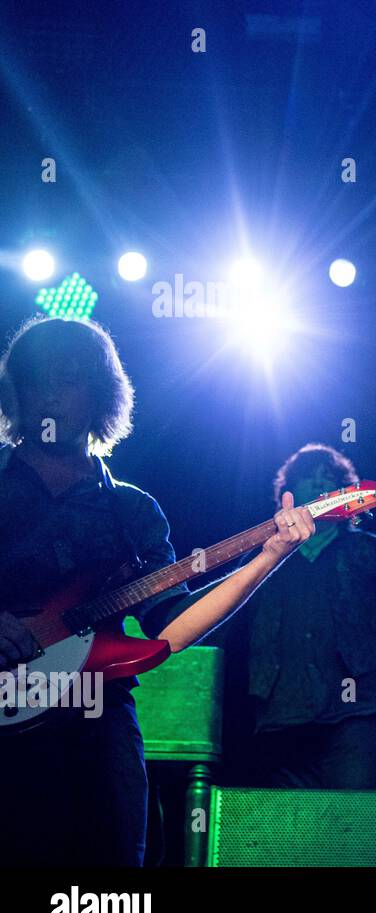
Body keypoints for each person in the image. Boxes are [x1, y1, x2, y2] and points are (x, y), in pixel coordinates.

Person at [0, 315, 316, 867]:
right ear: (15, 391)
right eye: (38, 377)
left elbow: (169, 628)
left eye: (70, 377)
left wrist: (267, 558)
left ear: (101, 394)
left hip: (94, 728)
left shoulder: (132, 511)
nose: (52, 391)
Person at [214, 443, 376, 789]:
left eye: (329, 481)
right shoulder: (264, 556)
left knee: (348, 825)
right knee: (292, 831)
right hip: (281, 712)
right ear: (289, 492)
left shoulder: (371, 550)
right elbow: (224, 625)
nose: (320, 488)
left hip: (358, 712)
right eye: (310, 480)